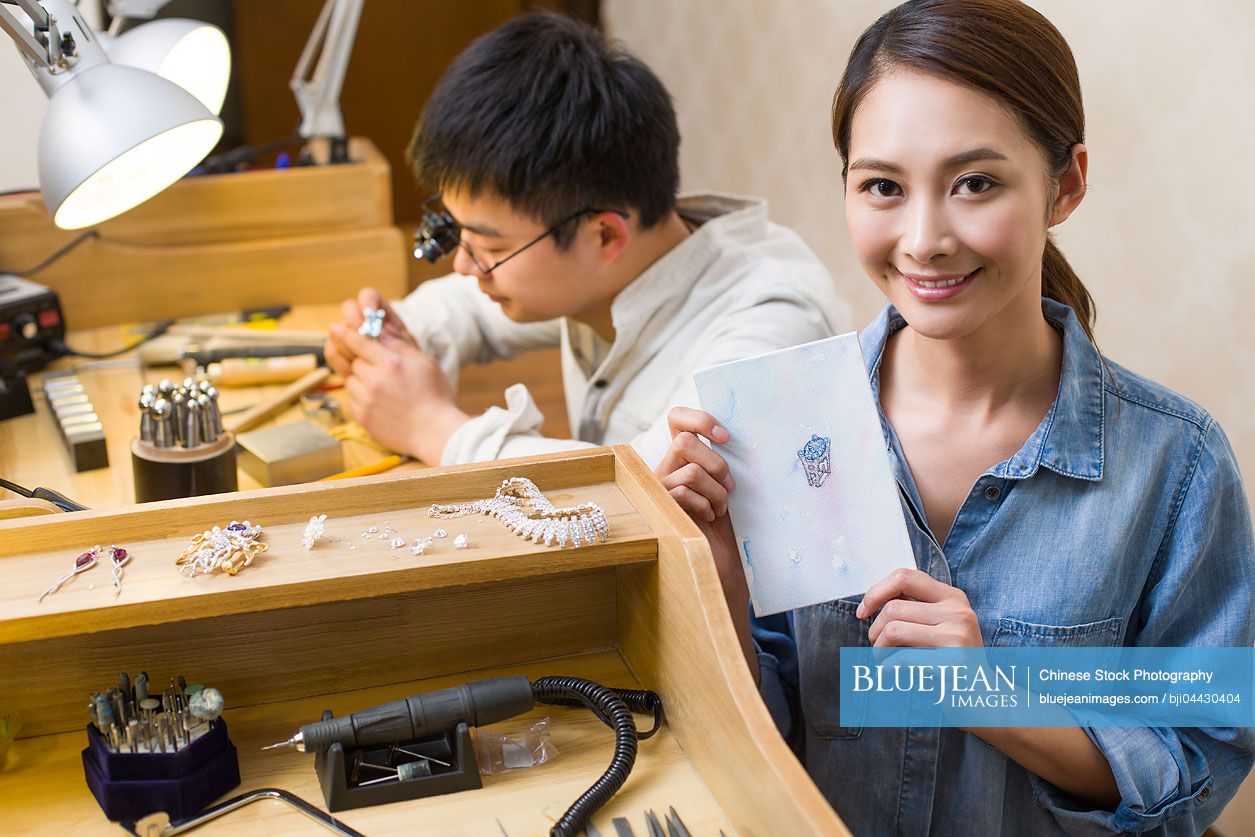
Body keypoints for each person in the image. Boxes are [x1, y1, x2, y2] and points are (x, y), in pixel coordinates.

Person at [657, 1, 1255, 834]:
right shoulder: (781, 430)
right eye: (882, 188)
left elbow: (1196, 759)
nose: (924, 238)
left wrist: (989, 690)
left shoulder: (1175, 464)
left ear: (1065, 184)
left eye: (974, 182)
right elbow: (757, 743)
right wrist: (716, 575)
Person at [324, 13, 850, 468]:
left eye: (489, 247)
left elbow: (644, 494)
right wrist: (394, 339)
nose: (463, 265)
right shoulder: (629, 260)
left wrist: (435, 429)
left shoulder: (770, 333)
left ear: (603, 235)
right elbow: (468, 305)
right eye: (454, 232)